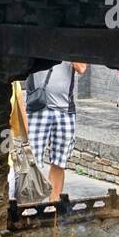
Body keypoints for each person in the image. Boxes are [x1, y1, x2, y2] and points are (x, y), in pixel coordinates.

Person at [25, 62, 87, 201]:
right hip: (38, 107)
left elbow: (81, 68)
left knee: (60, 161)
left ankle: (54, 207)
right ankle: (32, 205)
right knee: (32, 160)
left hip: (65, 109)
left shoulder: (72, 45)